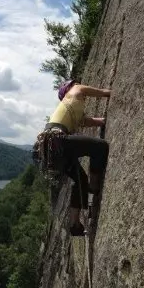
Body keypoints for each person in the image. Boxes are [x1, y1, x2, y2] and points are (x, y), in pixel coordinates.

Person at [44, 80, 111, 236]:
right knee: (100, 147)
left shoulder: (72, 113)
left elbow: (92, 121)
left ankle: (75, 225)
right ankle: (94, 186)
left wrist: (104, 122)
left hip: (49, 150)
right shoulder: (75, 91)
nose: (79, 84)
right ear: (69, 89)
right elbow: (100, 92)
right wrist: (113, 93)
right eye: (75, 83)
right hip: (57, 141)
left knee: (80, 179)